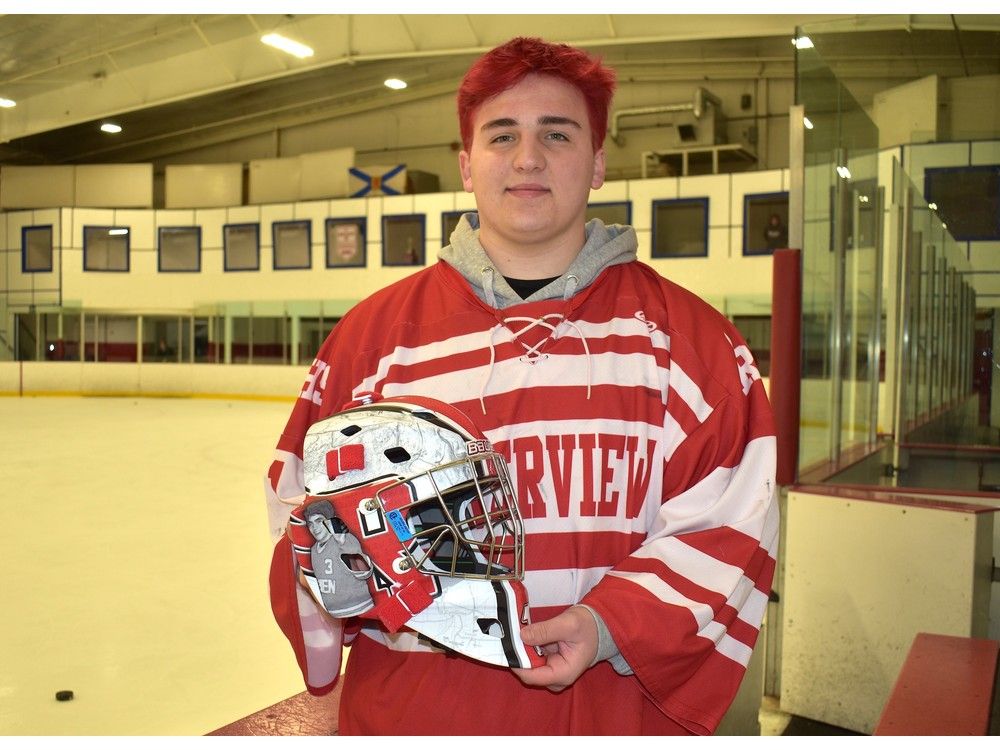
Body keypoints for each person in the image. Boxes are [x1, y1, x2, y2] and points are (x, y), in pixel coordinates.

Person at [265, 36, 777, 736]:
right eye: (501, 135)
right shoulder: (372, 340)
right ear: (467, 164)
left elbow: (734, 525)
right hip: (411, 718)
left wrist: (606, 626)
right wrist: (334, 574)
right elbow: (298, 511)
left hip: (607, 720)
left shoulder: (692, 345)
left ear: (598, 162)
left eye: (556, 135)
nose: (528, 158)